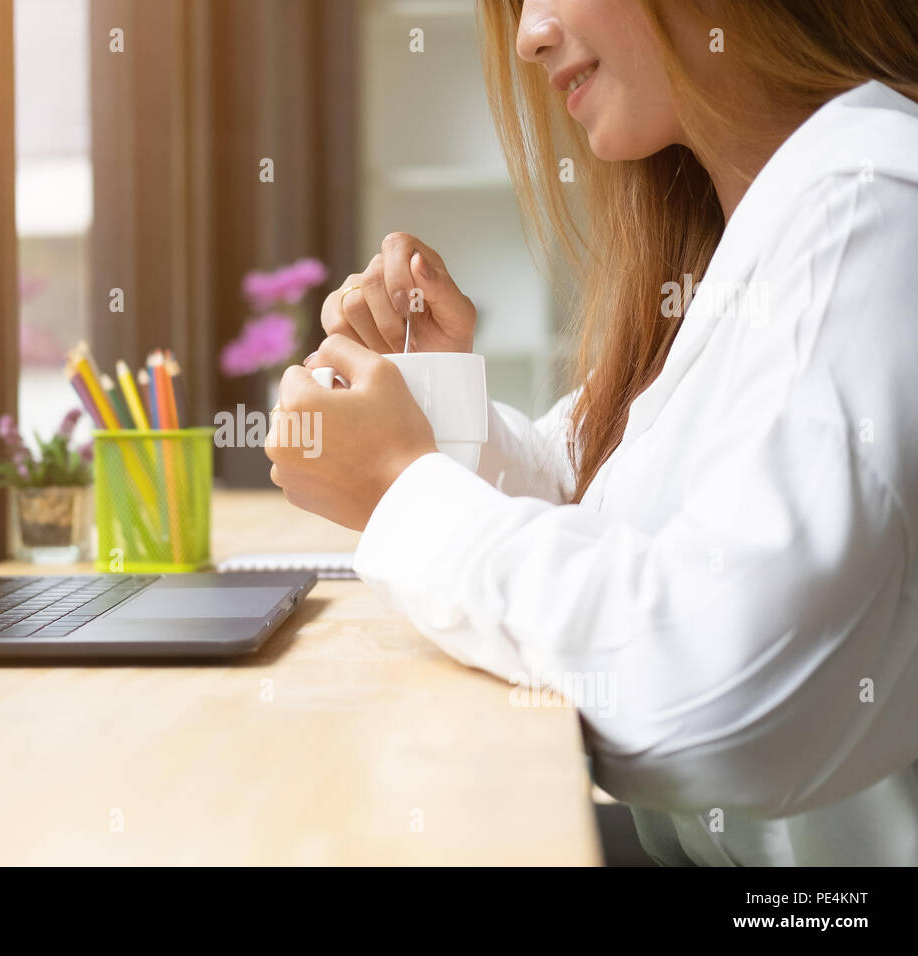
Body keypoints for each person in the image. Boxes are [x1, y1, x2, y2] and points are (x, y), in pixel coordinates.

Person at [265, 0, 918, 865]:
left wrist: (400, 484)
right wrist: (431, 406)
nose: (531, 37)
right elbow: (602, 489)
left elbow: (715, 694)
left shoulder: (870, 210)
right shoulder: (760, 231)